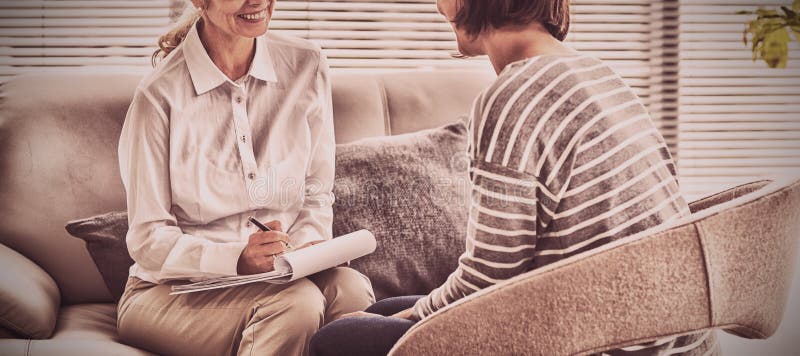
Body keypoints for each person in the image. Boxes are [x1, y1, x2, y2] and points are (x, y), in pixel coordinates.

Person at [309, 0, 719, 355]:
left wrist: (415, 317)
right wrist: (404, 313)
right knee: (381, 312)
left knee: (338, 339)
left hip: (599, 341)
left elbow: (489, 280)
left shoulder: (511, 98)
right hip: (671, 335)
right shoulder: (600, 74)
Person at [115, 0, 374, 355]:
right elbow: (148, 240)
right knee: (296, 306)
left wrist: (306, 248)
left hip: (279, 275)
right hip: (168, 291)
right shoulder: (158, 96)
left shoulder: (307, 65)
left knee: (352, 290)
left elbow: (316, 192)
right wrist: (236, 258)